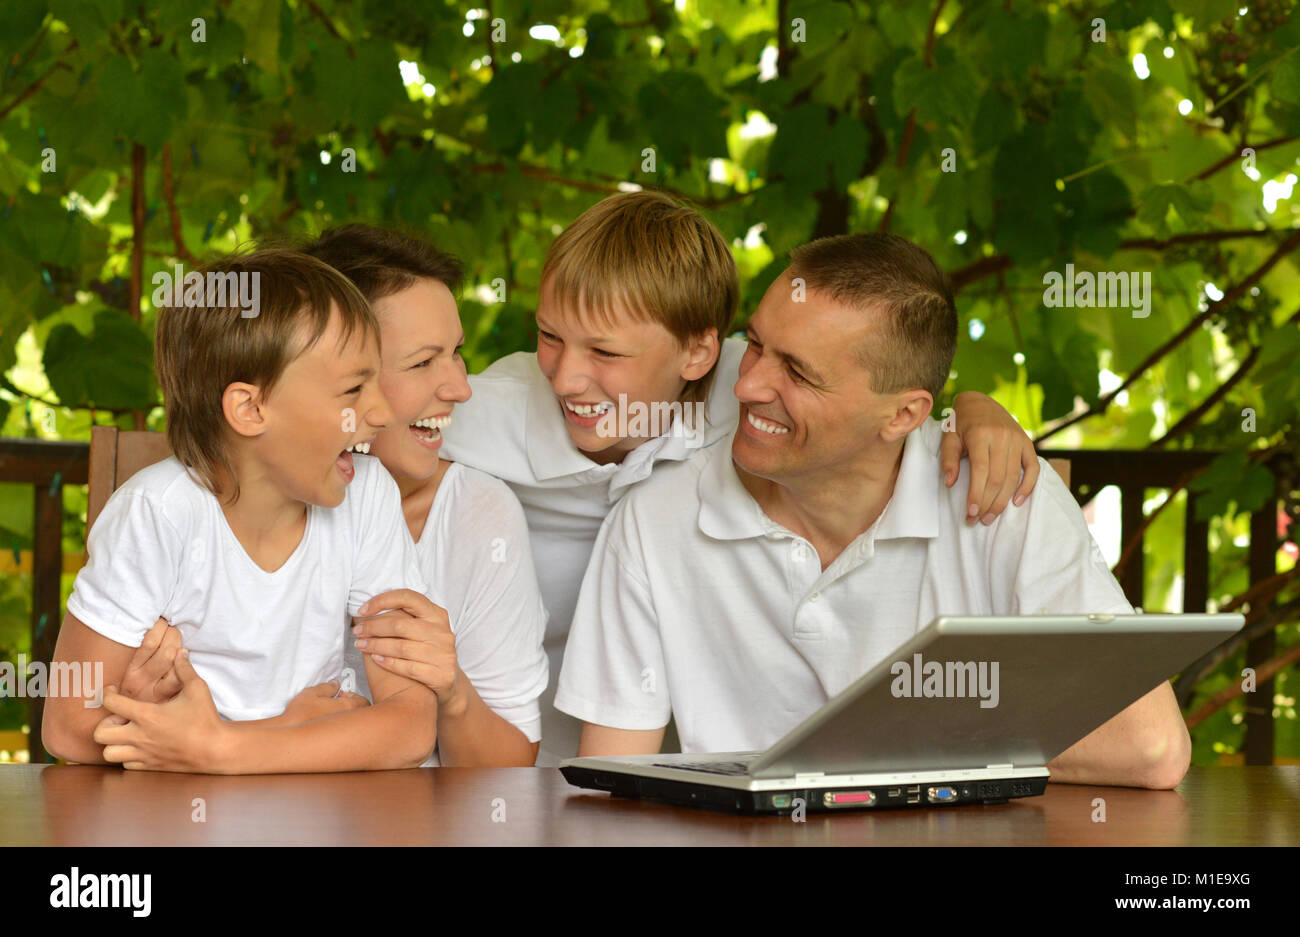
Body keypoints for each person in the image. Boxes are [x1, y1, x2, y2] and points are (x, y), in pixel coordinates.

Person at [554, 232, 1191, 789]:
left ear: (904, 414)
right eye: (755, 345)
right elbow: (614, 782)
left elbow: (1151, 748)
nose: (746, 386)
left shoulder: (1004, 496)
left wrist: (859, 748)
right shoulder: (654, 519)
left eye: (798, 374)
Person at [433, 191, 1045, 764]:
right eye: (548, 336)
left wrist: (974, 408)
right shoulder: (478, 415)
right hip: (509, 755)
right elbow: (367, 415)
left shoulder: (748, 387)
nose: (564, 378)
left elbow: (863, 396)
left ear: (697, 355)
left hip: (663, 766)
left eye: (606, 353)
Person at [43, 249, 443, 772]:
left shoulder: (367, 497)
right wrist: (285, 729)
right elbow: (68, 729)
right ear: (251, 410)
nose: (383, 412)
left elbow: (411, 725)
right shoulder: (157, 514)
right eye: (353, 388)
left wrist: (222, 748)